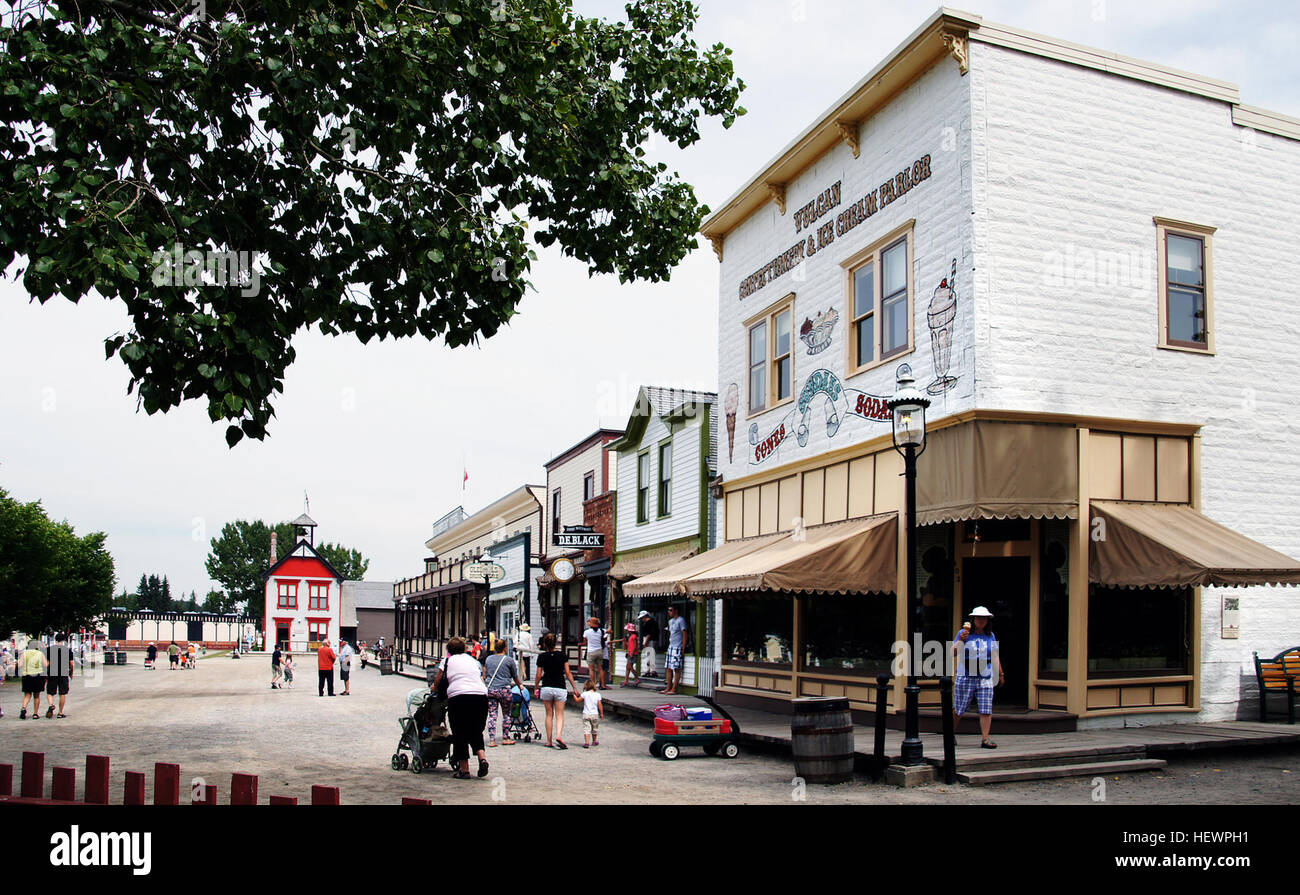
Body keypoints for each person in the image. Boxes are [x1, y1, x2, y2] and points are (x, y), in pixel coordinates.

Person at [430, 637, 490, 780]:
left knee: (460, 732)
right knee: (476, 730)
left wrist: (434, 687)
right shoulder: (473, 661)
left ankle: (464, 770)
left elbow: (438, 679)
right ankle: (482, 759)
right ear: (464, 648)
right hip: (480, 696)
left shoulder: (447, 661)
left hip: (459, 698)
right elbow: (481, 676)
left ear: (449, 650)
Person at [952, 606, 1004, 749]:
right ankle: (950, 733)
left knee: (986, 708)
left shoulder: (990, 635)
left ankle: (985, 738)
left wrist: (1000, 673)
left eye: (984, 618)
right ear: (973, 619)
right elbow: (953, 652)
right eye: (978, 618)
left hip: (984, 674)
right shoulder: (964, 633)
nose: (981, 621)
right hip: (966, 674)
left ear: (987, 620)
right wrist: (961, 641)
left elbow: (994, 655)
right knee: (959, 707)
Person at [533, 631, 579, 749]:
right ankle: (558, 735)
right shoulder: (562, 655)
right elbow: (568, 673)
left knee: (549, 714)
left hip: (547, 686)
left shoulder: (542, 656)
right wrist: (574, 687)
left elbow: (539, 674)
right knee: (560, 714)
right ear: (556, 643)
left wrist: (536, 686)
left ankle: (549, 741)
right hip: (560, 686)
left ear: (545, 644)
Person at [483, 639, 524, 747]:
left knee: (492, 714)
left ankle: (492, 739)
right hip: (504, 689)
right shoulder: (509, 660)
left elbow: (485, 674)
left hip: (491, 689)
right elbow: (515, 676)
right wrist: (520, 685)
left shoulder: (488, 659)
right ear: (505, 648)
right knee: (506, 714)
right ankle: (505, 737)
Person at [43, 632, 74, 718]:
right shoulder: (67, 650)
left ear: (55, 639)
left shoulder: (49, 649)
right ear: (64, 640)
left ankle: (51, 705)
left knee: (50, 692)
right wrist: (71, 673)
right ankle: (60, 713)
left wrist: (44, 673)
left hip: (52, 672)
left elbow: (47, 663)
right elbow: (71, 664)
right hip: (63, 673)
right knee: (62, 693)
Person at [661, 605, 689, 696]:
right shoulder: (670, 621)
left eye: (671, 610)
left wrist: (683, 648)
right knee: (668, 667)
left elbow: (684, 634)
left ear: (676, 611)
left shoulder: (681, 620)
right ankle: (668, 687)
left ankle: (674, 688)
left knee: (676, 668)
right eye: (668, 610)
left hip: (678, 647)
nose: (669, 612)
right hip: (671, 646)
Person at [19, 637, 48, 719]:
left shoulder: (24, 653)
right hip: (37, 675)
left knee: (27, 694)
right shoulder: (40, 653)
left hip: (26, 675)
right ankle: (35, 714)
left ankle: (24, 708)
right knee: (36, 695)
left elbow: (20, 665)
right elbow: (45, 664)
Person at [577, 678, 603, 748]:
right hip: (595, 714)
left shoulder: (584, 694)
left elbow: (577, 700)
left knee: (586, 728)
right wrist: (601, 713)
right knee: (594, 728)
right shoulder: (598, 695)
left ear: (586, 686)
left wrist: (574, 695)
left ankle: (587, 742)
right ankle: (594, 741)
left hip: (586, 714)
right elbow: (600, 705)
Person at [582, 617, 606, 689]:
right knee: (600, 668)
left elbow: (585, 642)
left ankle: (593, 685)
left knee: (591, 669)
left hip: (591, 651)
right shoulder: (601, 631)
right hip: (599, 651)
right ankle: (603, 684)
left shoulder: (587, 632)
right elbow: (609, 632)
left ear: (590, 624)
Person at [615, 622, 640, 687]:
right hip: (630, 653)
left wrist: (632, 653)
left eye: (627, 630)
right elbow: (629, 645)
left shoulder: (634, 636)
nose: (626, 631)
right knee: (627, 667)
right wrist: (625, 642)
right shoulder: (630, 637)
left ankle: (637, 678)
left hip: (633, 653)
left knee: (630, 666)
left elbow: (635, 645)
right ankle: (626, 680)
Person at [638, 610, 659, 680]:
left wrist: (645, 642)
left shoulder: (649, 623)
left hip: (650, 640)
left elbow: (649, 634)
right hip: (652, 640)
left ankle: (652, 671)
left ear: (645, 616)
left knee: (651, 655)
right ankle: (649, 670)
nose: (642, 619)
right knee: (649, 655)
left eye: (642, 618)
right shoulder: (653, 622)